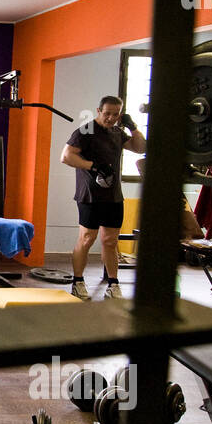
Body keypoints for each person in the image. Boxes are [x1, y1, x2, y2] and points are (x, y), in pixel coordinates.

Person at [60, 96, 146, 300]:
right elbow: (66, 156)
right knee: (87, 238)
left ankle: (113, 284)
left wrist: (132, 127)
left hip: (113, 195)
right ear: (99, 110)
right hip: (89, 194)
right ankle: (78, 282)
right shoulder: (86, 131)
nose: (110, 118)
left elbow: (141, 148)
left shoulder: (117, 132)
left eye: (115, 114)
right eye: (107, 113)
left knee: (110, 240)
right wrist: (93, 166)